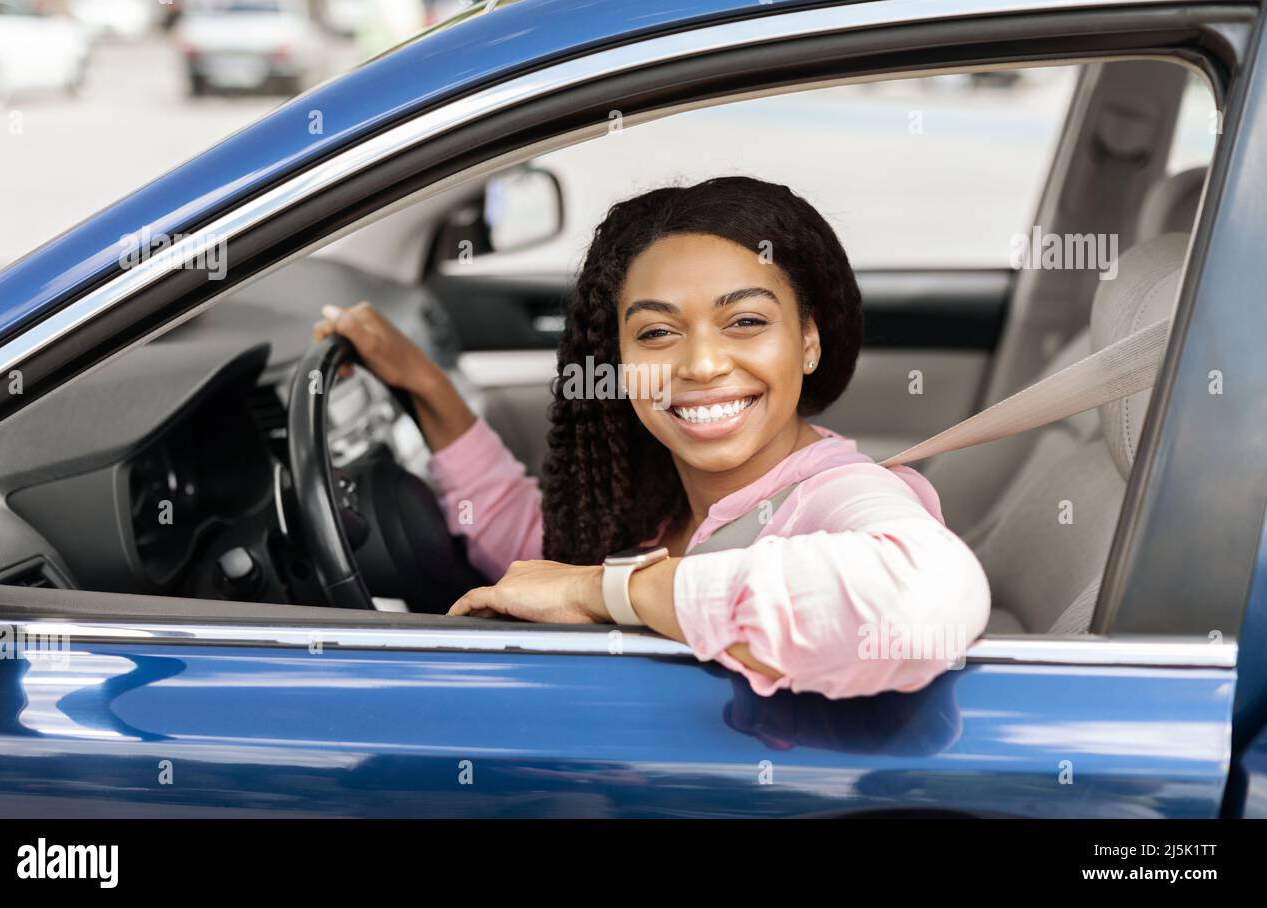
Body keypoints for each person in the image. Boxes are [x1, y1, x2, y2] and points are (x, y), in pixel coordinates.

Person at [314, 175, 990, 700]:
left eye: (746, 322)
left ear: (808, 340)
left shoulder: (842, 493)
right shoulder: (664, 502)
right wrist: (427, 387)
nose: (699, 366)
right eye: (658, 333)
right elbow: (540, 550)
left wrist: (602, 593)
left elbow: (925, 595)